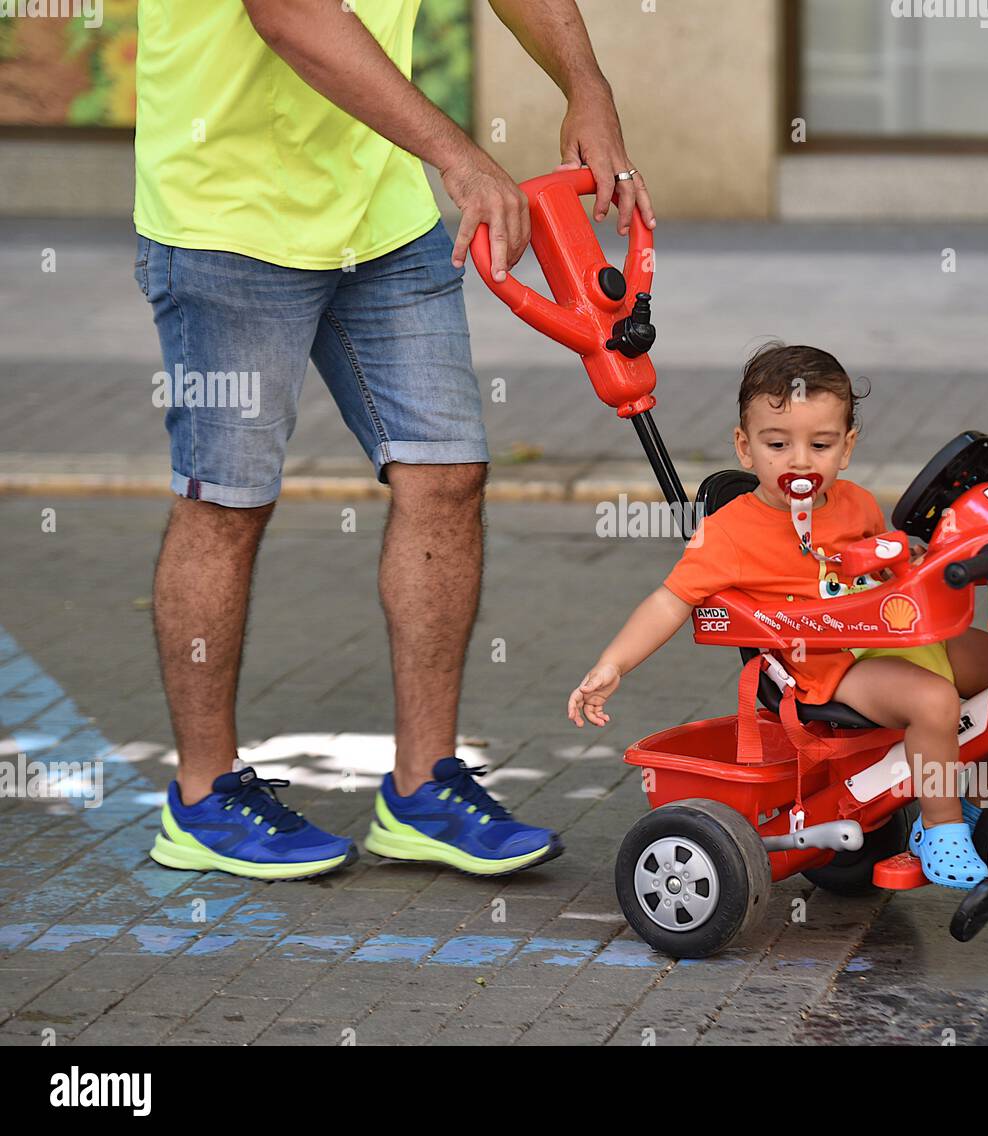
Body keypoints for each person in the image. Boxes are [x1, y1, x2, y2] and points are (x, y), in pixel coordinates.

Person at [135, 0, 653, 880]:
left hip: (382, 221)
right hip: (227, 222)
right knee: (226, 503)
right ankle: (202, 795)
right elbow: (291, 15)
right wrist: (459, 156)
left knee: (449, 476)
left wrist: (586, 86)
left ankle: (422, 787)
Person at [567, 343, 988, 889]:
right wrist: (613, 664)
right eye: (778, 444)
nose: (799, 461)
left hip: (891, 635)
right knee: (933, 700)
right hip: (825, 666)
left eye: (819, 444)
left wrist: (915, 561)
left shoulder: (857, 503)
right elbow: (670, 599)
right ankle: (940, 826)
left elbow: (889, 564)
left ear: (846, 448)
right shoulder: (730, 532)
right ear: (745, 448)